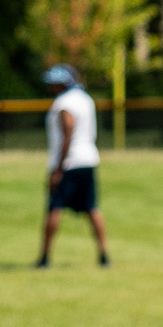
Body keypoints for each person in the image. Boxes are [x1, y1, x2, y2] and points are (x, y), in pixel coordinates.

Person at [34, 63, 109, 269]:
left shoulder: (64, 103)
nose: (51, 87)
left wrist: (59, 169)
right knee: (91, 207)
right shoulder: (86, 99)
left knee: (55, 208)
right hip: (88, 160)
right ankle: (104, 255)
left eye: (54, 83)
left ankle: (44, 257)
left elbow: (68, 130)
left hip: (68, 163)